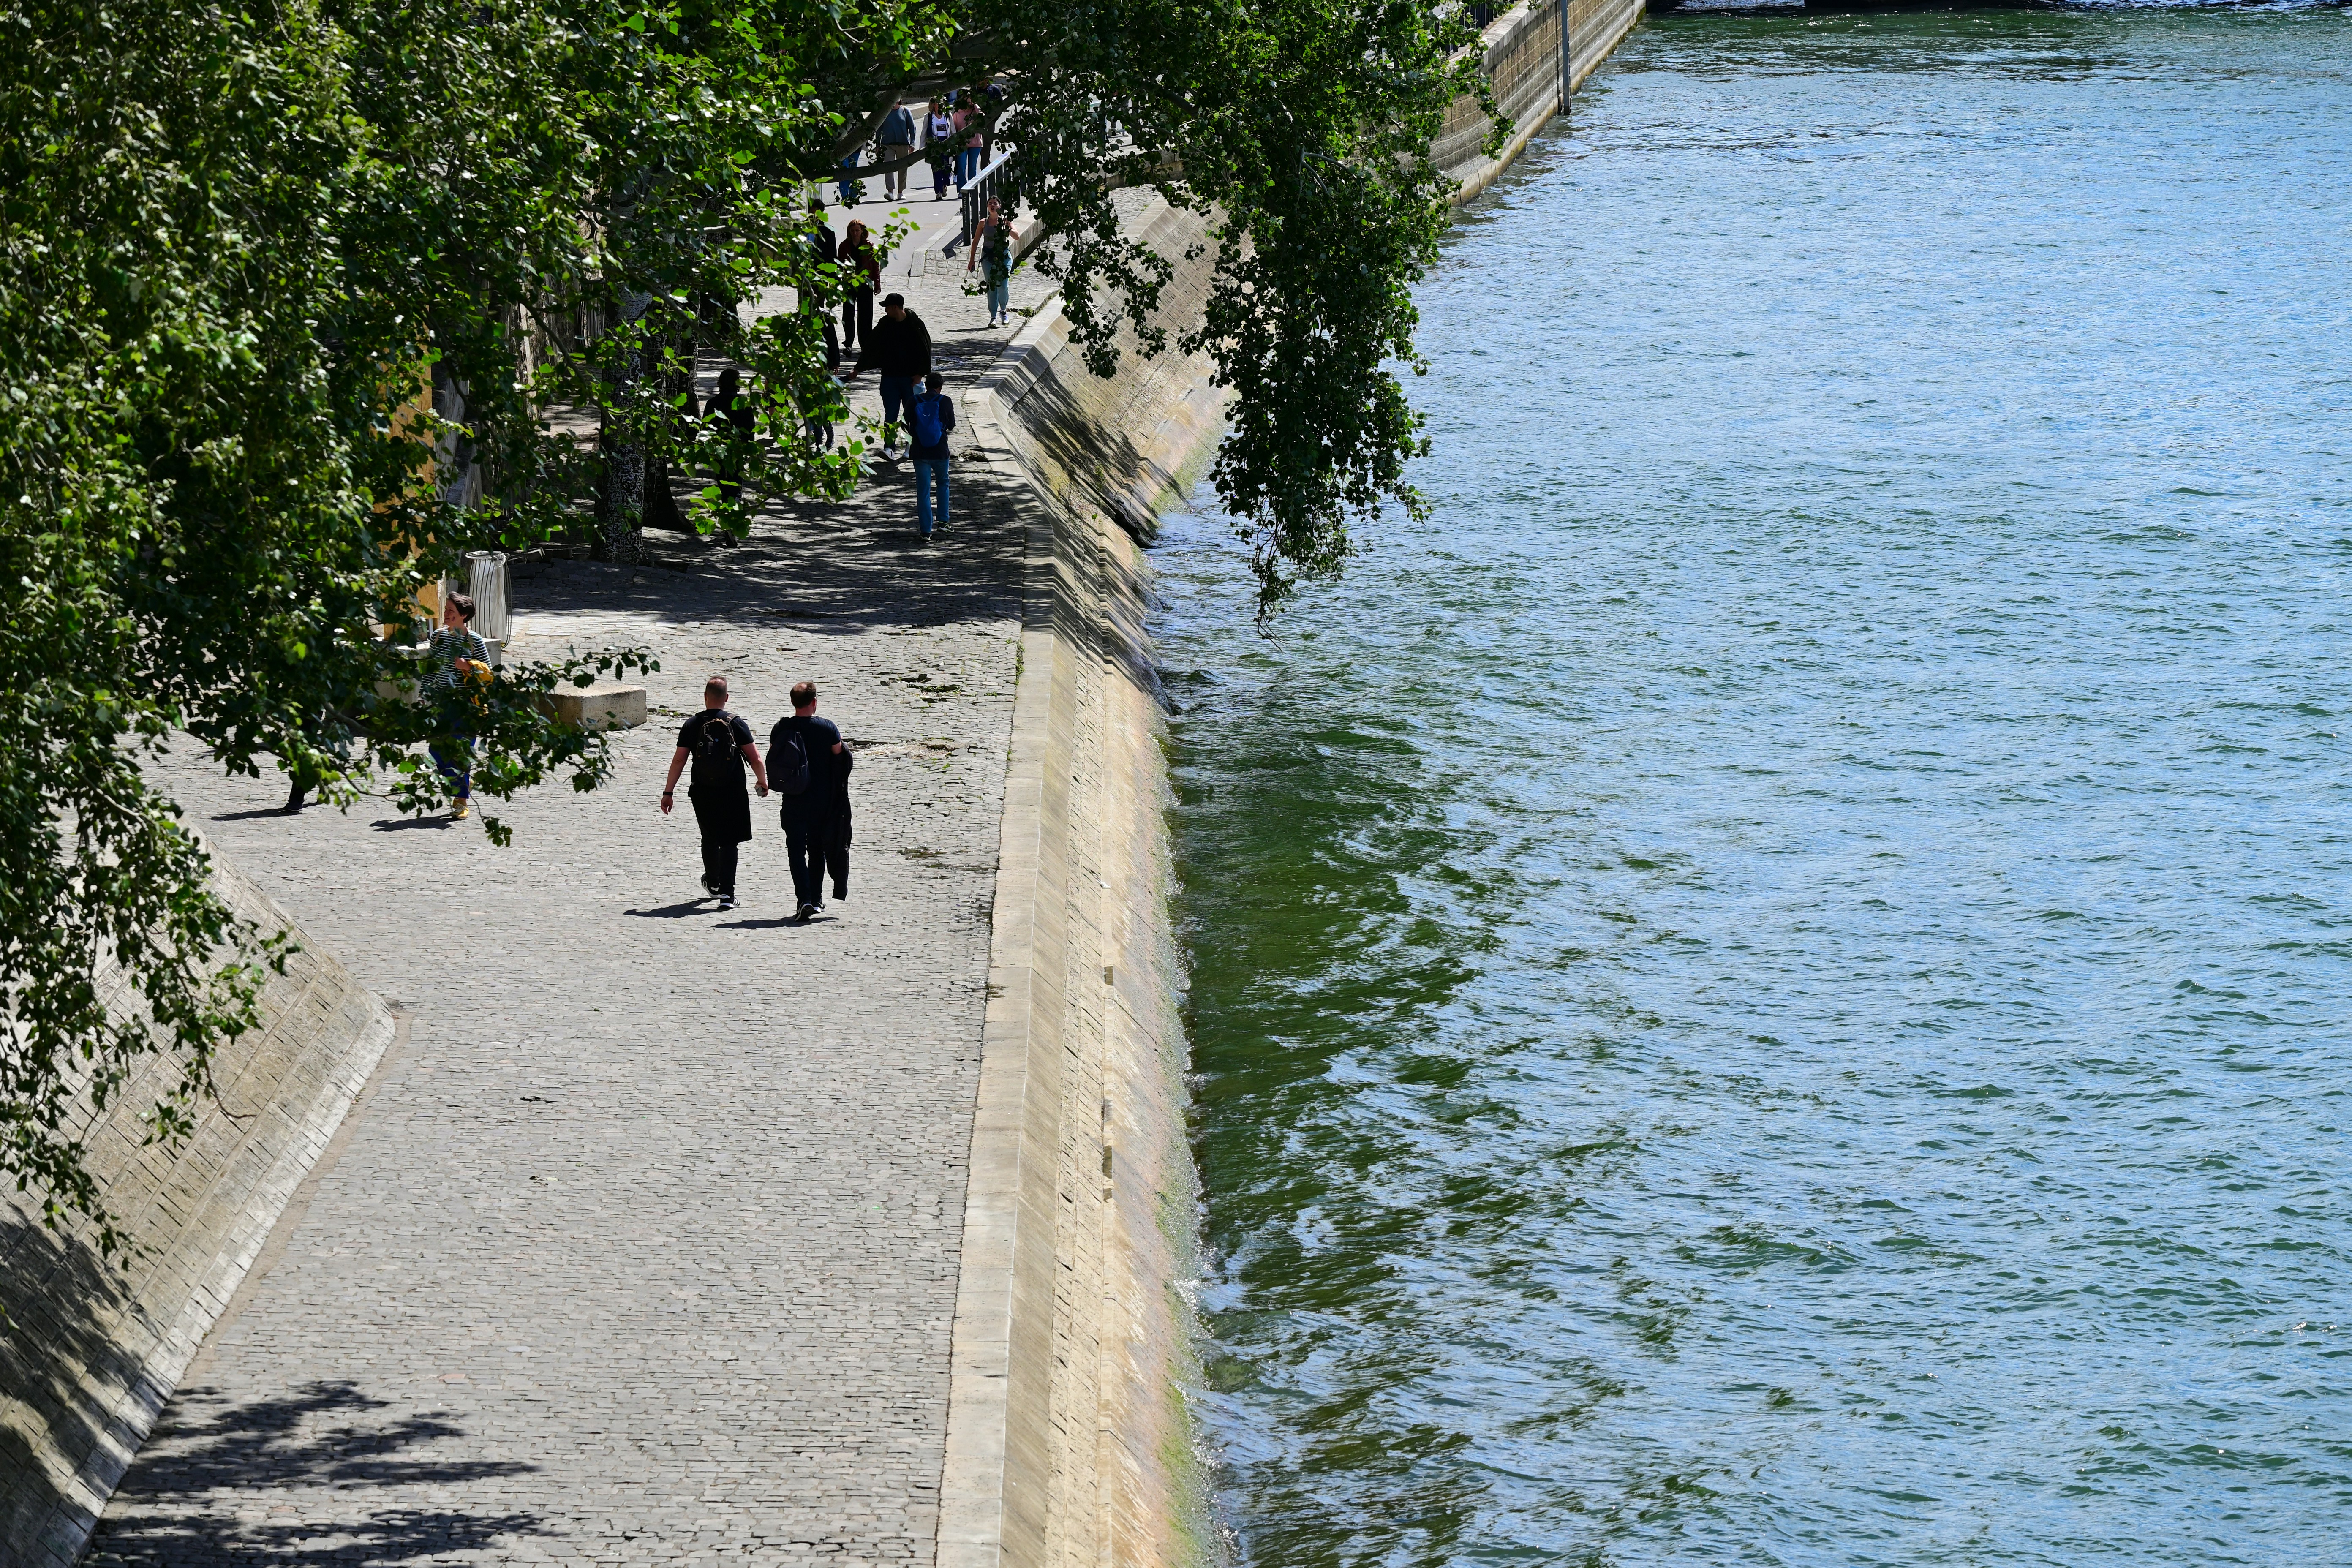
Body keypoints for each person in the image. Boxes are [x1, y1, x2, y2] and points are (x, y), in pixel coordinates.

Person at [660, 676, 769, 909]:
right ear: (726, 698)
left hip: (703, 790)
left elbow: (679, 759)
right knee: (730, 841)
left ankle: (713, 883)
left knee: (709, 837)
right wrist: (762, 781)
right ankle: (728, 896)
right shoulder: (736, 723)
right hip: (733, 791)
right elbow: (756, 757)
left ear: (705, 697)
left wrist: (668, 792)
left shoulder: (693, 724)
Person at [768, 680, 853, 923]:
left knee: (796, 850)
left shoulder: (780, 729)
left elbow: (776, 755)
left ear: (793, 702)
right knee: (818, 850)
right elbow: (840, 755)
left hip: (794, 798)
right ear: (815, 702)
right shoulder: (827, 728)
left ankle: (804, 898)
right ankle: (816, 899)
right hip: (822, 801)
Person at [422, 591, 493, 821]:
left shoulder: (474, 641)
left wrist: (467, 666)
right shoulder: (438, 637)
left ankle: (461, 800)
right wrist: (424, 696)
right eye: (446, 610)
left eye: (451, 611)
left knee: (460, 754)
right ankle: (464, 783)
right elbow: (430, 669)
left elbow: (489, 673)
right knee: (436, 752)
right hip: (441, 703)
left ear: (463, 616)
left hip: (466, 706)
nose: (446, 614)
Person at [846, 293, 931, 458]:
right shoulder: (885, 324)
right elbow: (872, 347)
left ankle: (911, 446)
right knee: (890, 414)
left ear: (895, 307)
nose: (885, 311)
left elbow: (925, 349)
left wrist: (920, 374)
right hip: (890, 378)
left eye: (887, 307)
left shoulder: (915, 324)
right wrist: (858, 369)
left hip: (910, 380)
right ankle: (889, 448)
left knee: (911, 414)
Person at [907, 370, 955, 540]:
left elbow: (907, 422)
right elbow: (951, 426)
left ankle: (926, 531)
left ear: (926, 387)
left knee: (923, 491)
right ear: (940, 387)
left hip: (920, 452)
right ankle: (944, 523)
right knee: (943, 483)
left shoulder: (914, 400)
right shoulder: (946, 401)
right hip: (941, 451)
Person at [966, 196, 1013, 328]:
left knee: (1003, 286)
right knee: (992, 287)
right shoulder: (983, 223)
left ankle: (1003, 311)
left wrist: (1008, 229)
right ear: (988, 207)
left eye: (995, 204)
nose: (992, 205)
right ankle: (993, 317)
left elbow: (1017, 236)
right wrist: (972, 260)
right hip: (988, 258)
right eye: (990, 204)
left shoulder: (1005, 221)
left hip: (1003, 256)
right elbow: (975, 242)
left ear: (1000, 206)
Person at [805, 199, 840, 370]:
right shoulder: (802, 229)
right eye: (811, 212)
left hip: (820, 277)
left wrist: (829, 279)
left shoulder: (828, 231)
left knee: (818, 307)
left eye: (816, 212)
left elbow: (832, 257)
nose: (813, 215)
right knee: (804, 305)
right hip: (805, 276)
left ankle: (817, 335)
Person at [838, 220, 880, 358]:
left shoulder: (869, 246)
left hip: (865, 284)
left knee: (866, 316)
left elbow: (876, 266)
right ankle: (848, 344)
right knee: (848, 315)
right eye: (853, 231)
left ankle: (865, 345)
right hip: (849, 284)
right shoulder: (844, 246)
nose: (855, 233)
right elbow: (839, 266)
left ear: (862, 231)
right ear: (849, 232)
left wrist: (877, 284)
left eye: (857, 231)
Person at [876, 101, 917, 200]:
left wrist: (912, 143)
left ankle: (901, 192)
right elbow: (879, 128)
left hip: (903, 144)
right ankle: (890, 192)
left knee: (903, 168)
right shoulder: (885, 111)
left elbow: (912, 127)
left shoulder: (905, 111)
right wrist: (878, 145)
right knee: (888, 167)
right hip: (887, 145)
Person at [925, 100, 955, 201]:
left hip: (946, 144)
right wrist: (923, 148)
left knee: (946, 168)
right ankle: (938, 192)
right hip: (934, 145)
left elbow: (953, 131)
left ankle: (945, 184)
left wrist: (954, 145)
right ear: (934, 105)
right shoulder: (929, 117)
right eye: (939, 103)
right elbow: (924, 133)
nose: (941, 105)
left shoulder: (948, 115)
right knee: (936, 169)